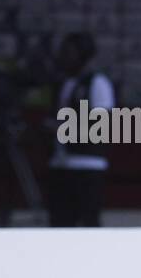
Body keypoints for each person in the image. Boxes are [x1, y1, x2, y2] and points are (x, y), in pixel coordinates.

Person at [45, 33, 114, 227]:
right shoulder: (63, 84)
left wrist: (65, 129)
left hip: (87, 165)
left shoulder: (98, 83)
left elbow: (102, 125)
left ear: (84, 54)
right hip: (61, 163)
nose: (64, 56)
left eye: (70, 52)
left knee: (88, 225)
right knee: (60, 224)